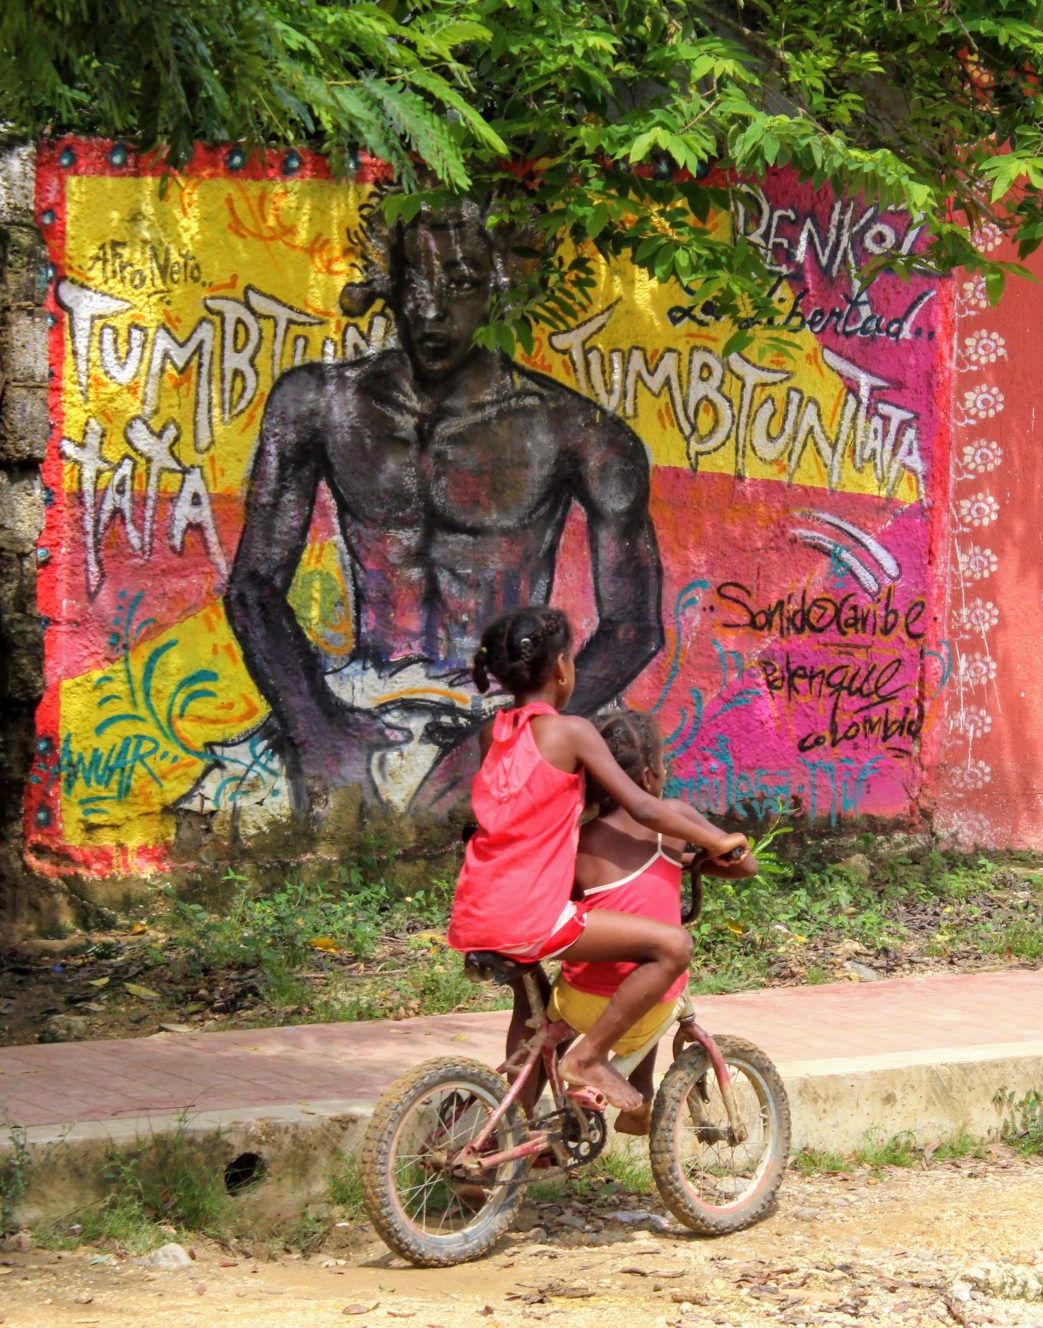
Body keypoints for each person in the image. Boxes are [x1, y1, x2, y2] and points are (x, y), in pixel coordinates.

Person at [182, 196, 663, 830]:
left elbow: (633, 626)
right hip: (354, 696)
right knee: (209, 818)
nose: (432, 309)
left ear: (503, 286)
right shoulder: (318, 404)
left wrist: (508, 736)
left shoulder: (578, 432)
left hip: (507, 701)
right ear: (389, 287)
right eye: (414, 282)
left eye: (460, 283)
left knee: (603, 816)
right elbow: (254, 589)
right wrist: (319, 728)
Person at [447, 606, 747, 1114]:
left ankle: (508, 1129)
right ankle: (588, 1057)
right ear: (562, 667)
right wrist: (717, 842)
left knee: (532, 1000)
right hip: (531, 913)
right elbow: (643, 805)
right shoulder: (571, 733)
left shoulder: (491, 734)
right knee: (674, 944)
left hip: (478, 910)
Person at [556, 708, 760, 1134]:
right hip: (643, 1010)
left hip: (577, 1002)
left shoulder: (579, 838)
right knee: (655, 981)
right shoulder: (674, 818)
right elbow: (744, 867)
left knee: (613, 980)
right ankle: (639, 1095)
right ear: (650, 775)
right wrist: (714, 847)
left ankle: (550, 1118)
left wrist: (684, 861)